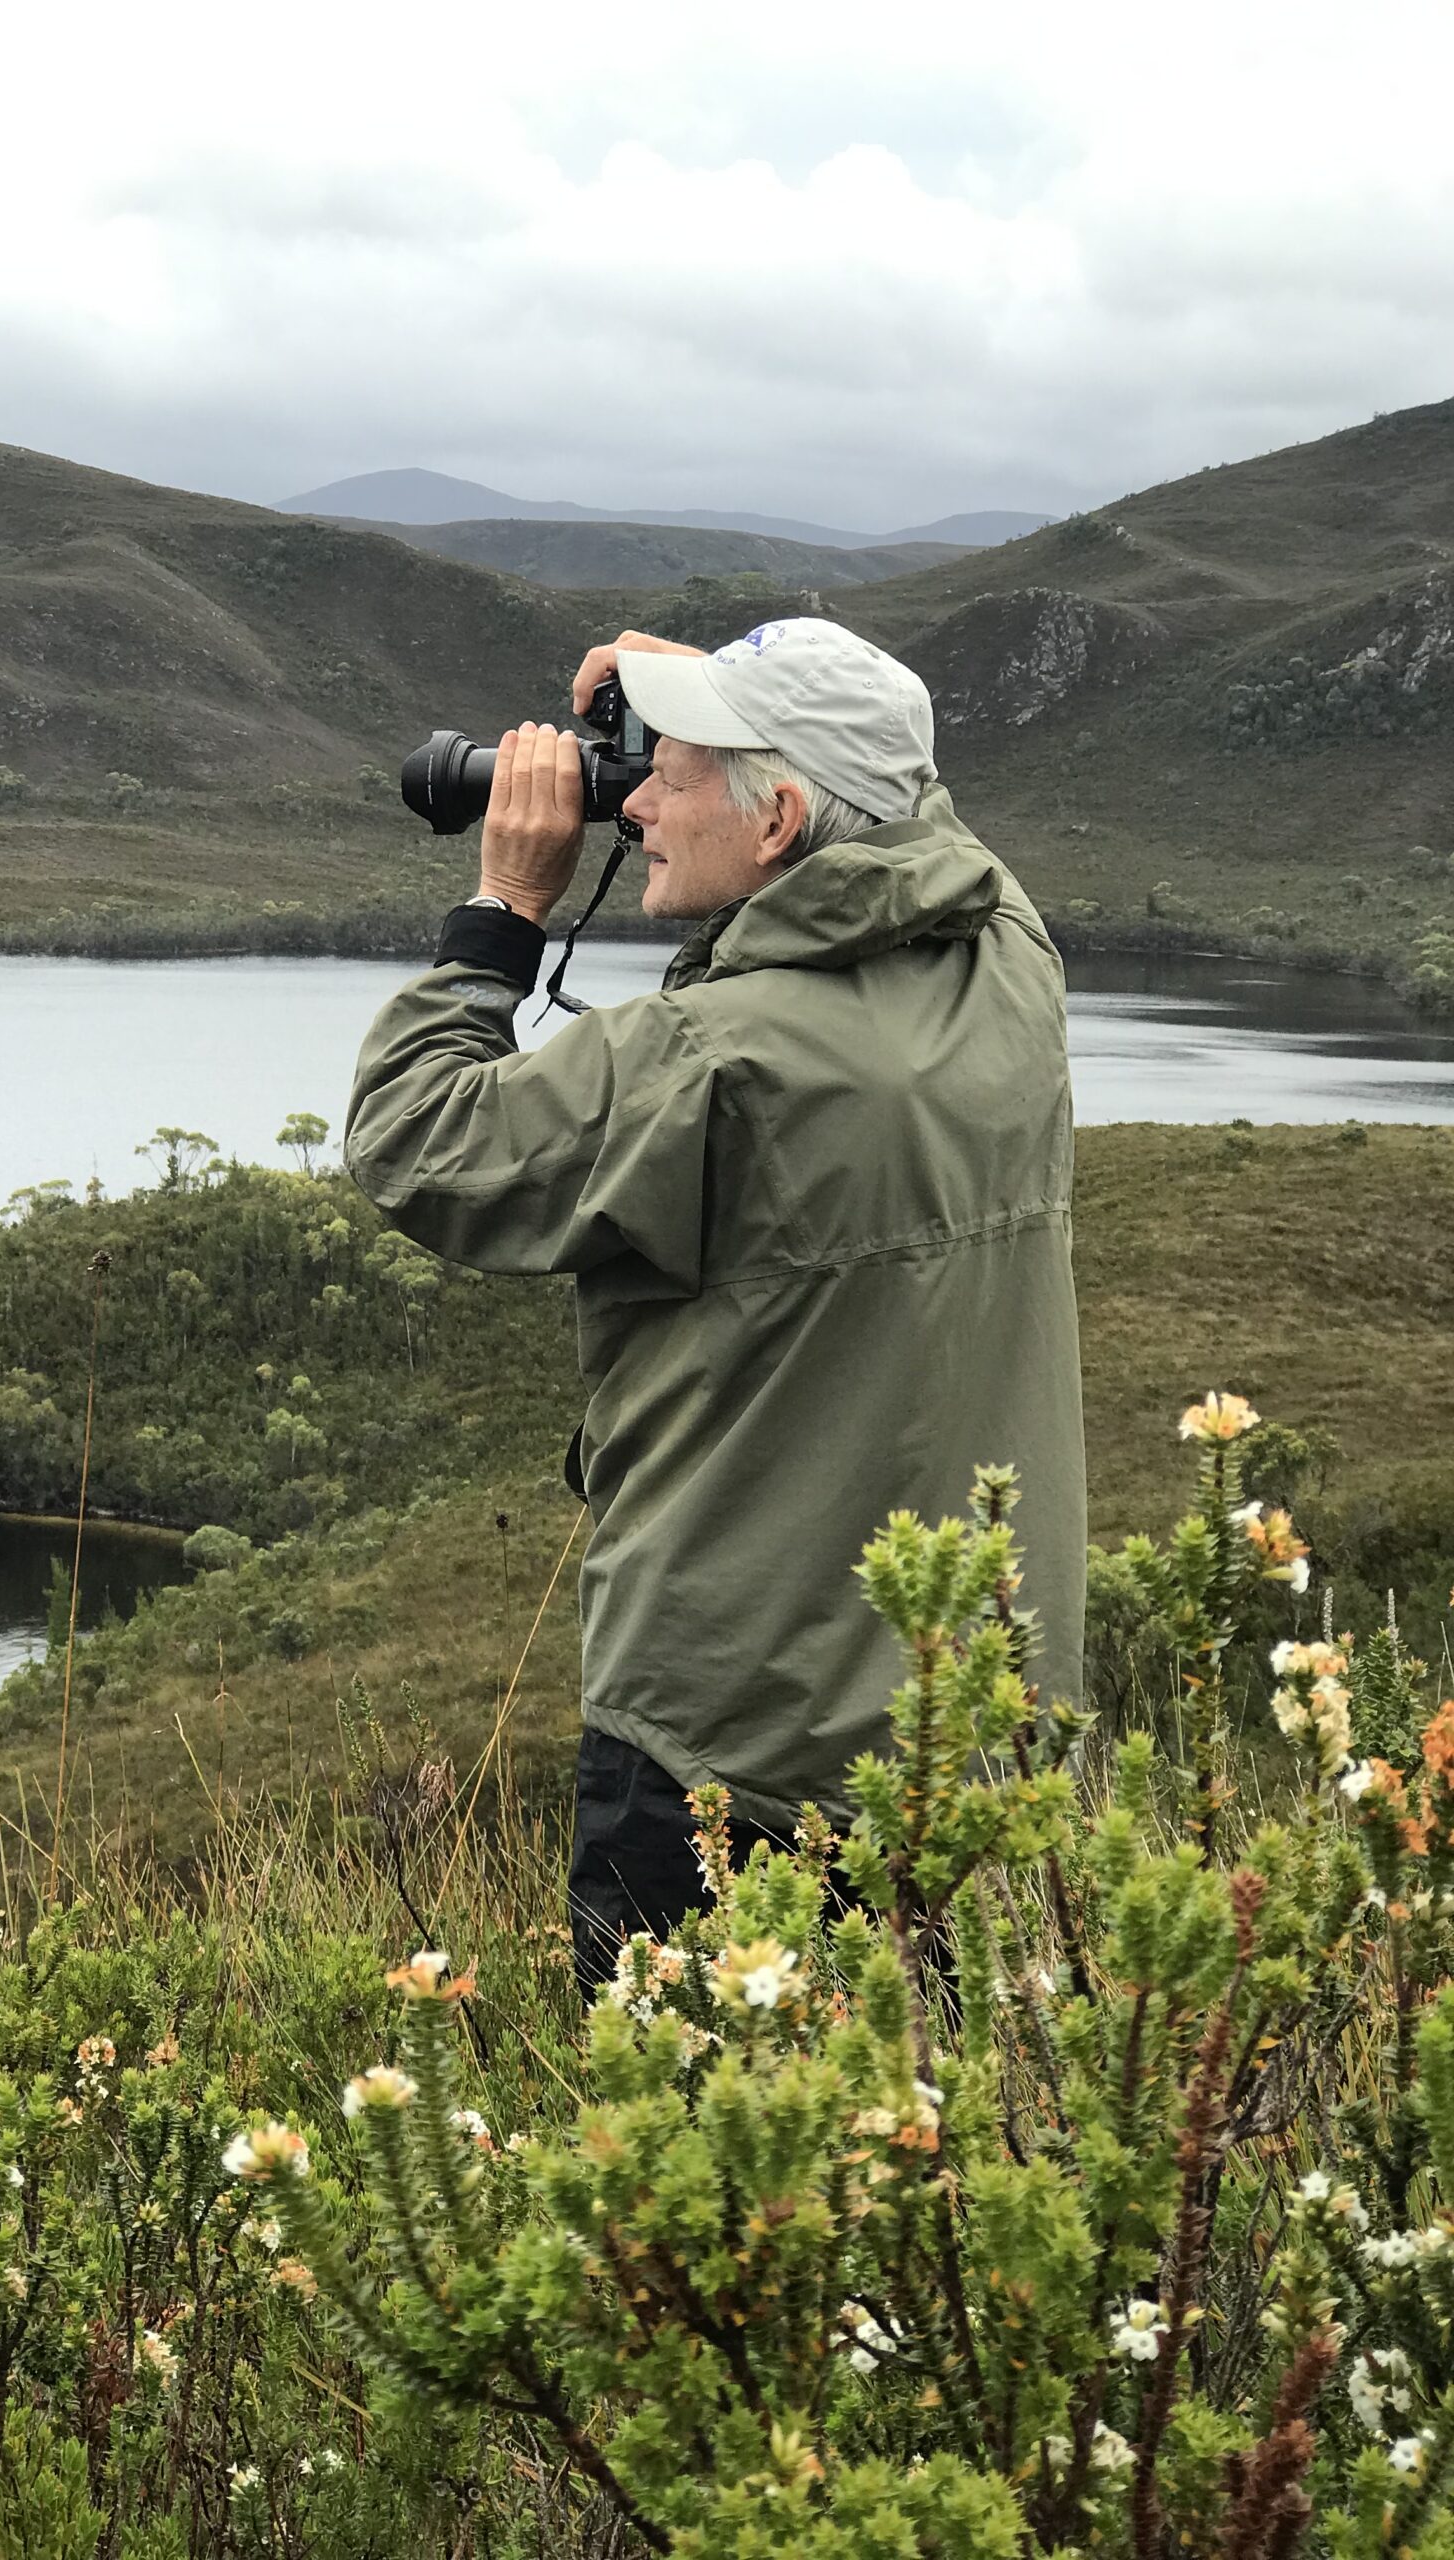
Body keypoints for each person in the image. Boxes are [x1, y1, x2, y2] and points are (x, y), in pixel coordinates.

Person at [344, 617, 1085, 1995]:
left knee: (690, 2186)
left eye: (668, 773)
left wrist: (504, 907)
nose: (630, 802)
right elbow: (914, 810)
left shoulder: (705, 1057)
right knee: (926, 2179)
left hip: (721, 1759)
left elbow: (413, 1140)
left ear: (782, 816)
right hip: (969, 1746)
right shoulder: (1010, 972)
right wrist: (757, 682)